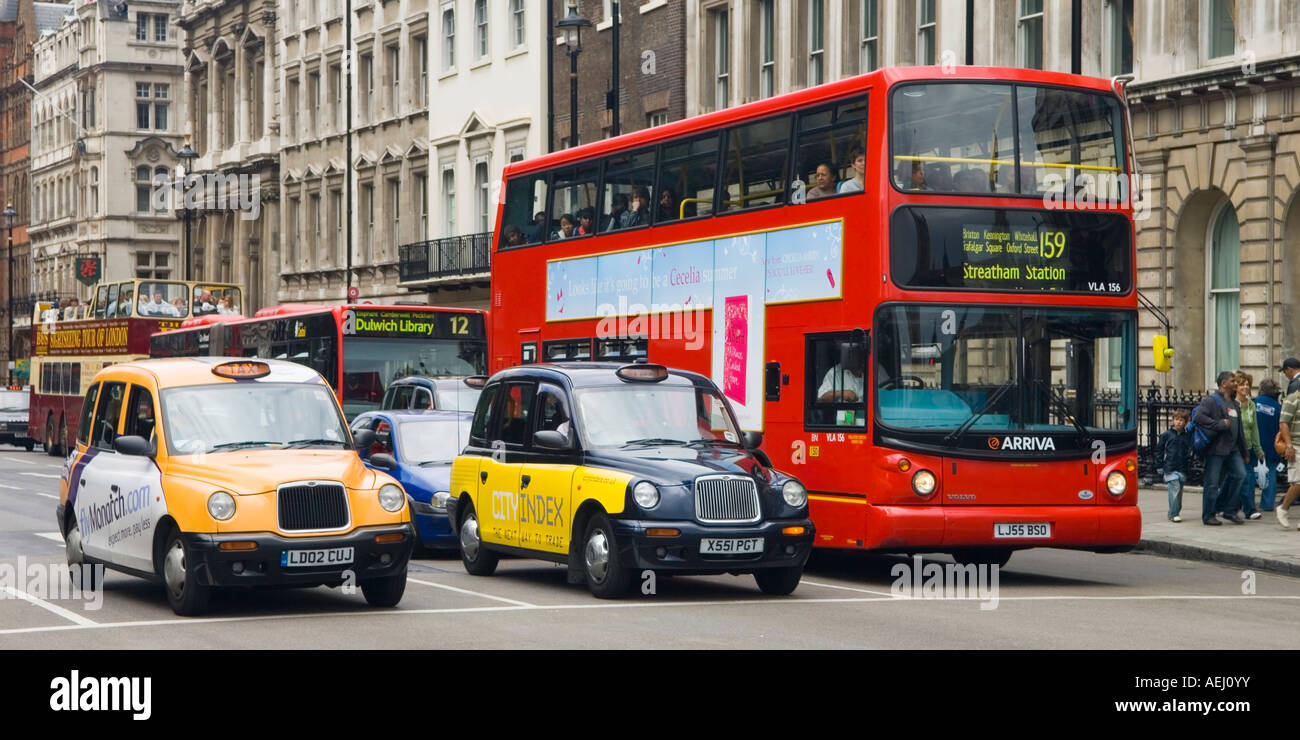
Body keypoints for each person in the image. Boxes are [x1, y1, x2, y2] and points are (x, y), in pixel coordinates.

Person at [1193, 371, 1248, 526]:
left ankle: (1229, 510)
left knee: (1240, 475)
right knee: (1212, 483)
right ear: (1223, 384)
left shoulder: (1234, 403)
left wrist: (1244, 450)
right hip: (1216, 450)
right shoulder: (1211, 400)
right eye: (1233, 381)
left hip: (1233, 449)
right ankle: (1209, 515)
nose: (1236, 383)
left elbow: (1240, 429)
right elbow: (1199, 417)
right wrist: (1219, 425)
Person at [1231, 371, 1267, 520]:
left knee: (1247, 478)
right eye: (1242, 384)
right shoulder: (1232, 404)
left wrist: (1259, 449)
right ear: (1236, 387)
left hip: (1249, 448)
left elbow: (1254, 429)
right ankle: (1249, 509)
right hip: (1234, 448)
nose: (1245, 387)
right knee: (1242, 478)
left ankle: (1232, 506)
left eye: (1247, 384)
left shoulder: (1251, 404)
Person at [1155, 409, 1192, 522]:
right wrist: (1159, 465)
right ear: (1173, 420)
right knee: (1175, 488)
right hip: (1170, 467)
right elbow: (1159, 450)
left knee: (1179, 492)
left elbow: (1189, 451)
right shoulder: (1166, 435)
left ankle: (1175, 511)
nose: (1178, 422)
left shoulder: (1187, 436)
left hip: (1182, 467)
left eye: (1181, 420)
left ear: (1185, 422)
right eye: (1176, 420)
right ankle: (1173, 513)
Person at [1275, 380, 1300, 529]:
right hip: (1296, 445)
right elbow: (1283, 422)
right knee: (1298, 482)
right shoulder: (1293, 399)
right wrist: (1289, 445)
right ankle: (1283, 508)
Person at [1256, 378, 1282, 513]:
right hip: (1271, 445)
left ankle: (1246, 502)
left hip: (1255, 443)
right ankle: (1267, 503)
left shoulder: (1254, 403)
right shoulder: (1278, 407)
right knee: (1270, 473)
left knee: (1249, 473)